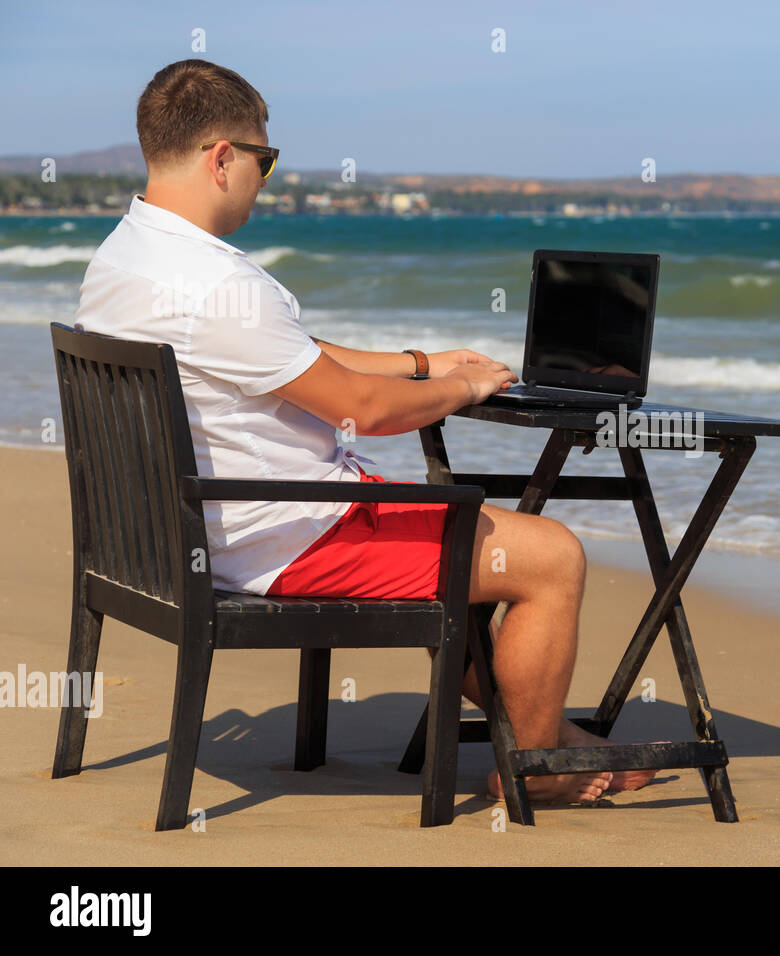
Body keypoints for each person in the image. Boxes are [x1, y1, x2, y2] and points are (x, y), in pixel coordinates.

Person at [74, 59, 657, 805]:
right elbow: (365, 413)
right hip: (282, 537)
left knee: (466, 538)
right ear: (222, 157)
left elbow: (297, 357)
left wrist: (420, 362)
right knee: (549, 558)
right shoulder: (220, 286)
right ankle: (538, 767)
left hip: (182, 532)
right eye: (265, 157)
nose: (266, 176)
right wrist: (461, 388)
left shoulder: (125, 258)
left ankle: (550, 737)